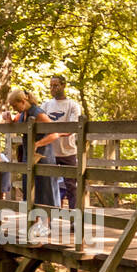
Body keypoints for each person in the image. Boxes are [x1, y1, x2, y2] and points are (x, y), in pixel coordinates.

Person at [7, 87, 59, 207]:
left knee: (45, 192)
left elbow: (55, 132)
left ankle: (47, 223)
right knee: (30, 192)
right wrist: (9, 119)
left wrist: (37, 144)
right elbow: (13, 121)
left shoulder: (38, 113)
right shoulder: (22, 114)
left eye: (15, 106)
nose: (14, 109)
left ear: (23, 102)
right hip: (28, 158)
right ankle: (34, 223)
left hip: (43, 156)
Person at [41, 75, 81, 208]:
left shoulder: (72, 105)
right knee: (48, 187)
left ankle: (74, 218)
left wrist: (55, 134)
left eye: (56, 85)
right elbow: (37, 122)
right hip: (50, 152)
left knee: (71, 187)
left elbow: (71, 127)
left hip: (68, 152)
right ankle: (49, 219)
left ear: (63, 86)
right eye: (51, 85)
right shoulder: (46, 105)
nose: (52, 88)